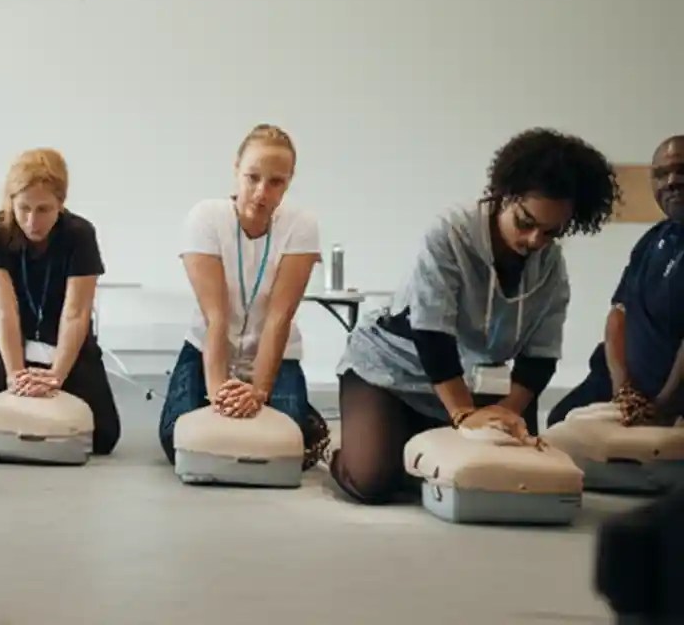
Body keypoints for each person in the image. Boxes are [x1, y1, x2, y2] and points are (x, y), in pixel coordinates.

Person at [329, 128, 619, 505]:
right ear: (504, 196)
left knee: (512, 478)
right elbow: (432, 334)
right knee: (372, 480)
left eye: (551, 232)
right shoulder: (450, 234)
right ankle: (341, 449)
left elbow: (540, 355)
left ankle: (419, 435)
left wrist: (504, 415)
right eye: (526, 222)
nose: (535, 240)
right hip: (392, 368)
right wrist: (464, 414)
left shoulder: (551, 266)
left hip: (471, 378)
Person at [158, 124, 330, 468]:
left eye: (276, 182)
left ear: (289, 182)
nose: (261, 192)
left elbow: (279, 316)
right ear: (236, 169)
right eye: (252, 177)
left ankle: (299, 410)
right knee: (176, 438)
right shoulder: (205, 218)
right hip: (208, 346)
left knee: (286, 442)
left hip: (275, 352)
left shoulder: (302, 225)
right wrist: (219, 396)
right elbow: (216, 317)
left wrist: (260, 391)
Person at [0, 148, 121, 455]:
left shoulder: (80, 233)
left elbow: (76, 313)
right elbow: (4, 309)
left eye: (44, 209)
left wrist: (57, 375)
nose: (33, 221)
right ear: (11, 202)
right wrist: (15, 376)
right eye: (24, 208)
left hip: (65, 342)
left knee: (104, 436)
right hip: (15, 340)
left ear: (61, 203)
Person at [547, 135, 684, 427]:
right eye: (661, 174)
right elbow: (618, 314)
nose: (672, 181)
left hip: (669, 400)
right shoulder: (654, 239)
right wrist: (623, 390)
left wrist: (663, 407)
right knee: (559, 421)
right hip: (620, 384)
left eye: (682, 170)